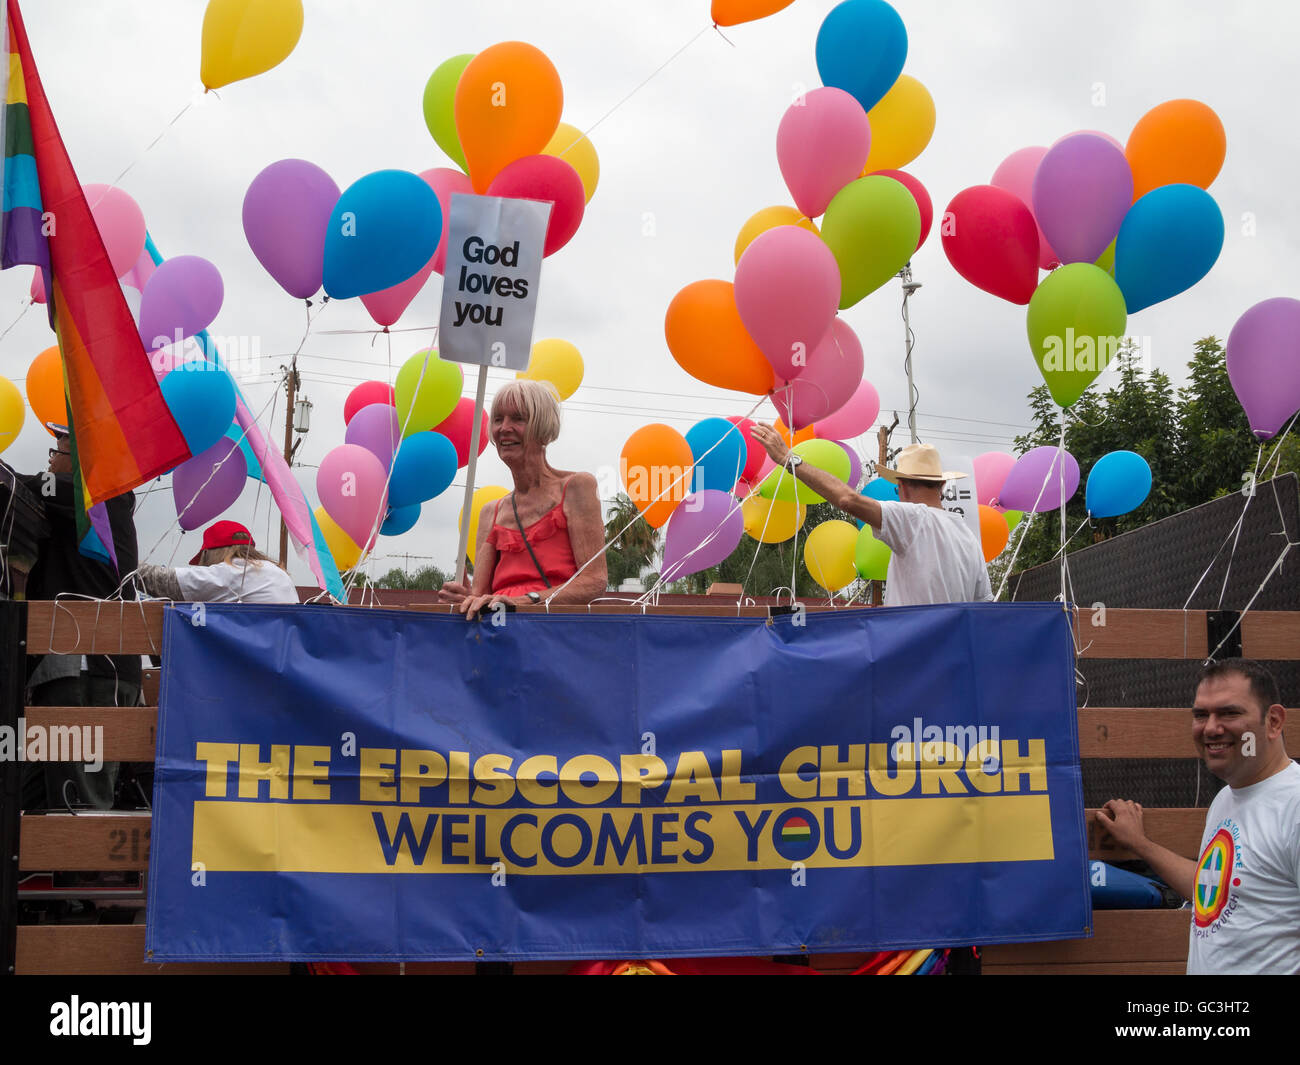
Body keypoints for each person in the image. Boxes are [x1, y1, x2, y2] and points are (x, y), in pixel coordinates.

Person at [1095, 659, 1299, 974]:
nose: (1211, 728)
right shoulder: (1227, 798)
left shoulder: (1294, 806)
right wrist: (1140, 844)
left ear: (1273, 721)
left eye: (1230, 713)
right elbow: (1215, 890)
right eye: (1201, 715)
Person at [21, 423, 140, 810]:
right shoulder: (94, 506)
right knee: (50, 797)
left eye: (58, 453)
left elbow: (35, 486)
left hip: (88, 668)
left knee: (81, 806)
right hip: (88, 668)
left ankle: (82, 870)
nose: (51, 462)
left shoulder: (99, 500)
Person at [749, 427, 992, 606]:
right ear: (941, 486)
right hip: (954, 661)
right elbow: (984, 605)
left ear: (903, 487)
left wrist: (788, 459)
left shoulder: (913, 519)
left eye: (897, 490)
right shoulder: (968, 537)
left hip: (916, 657)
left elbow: (848, 499)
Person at [438, 379, 607, 618]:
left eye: (518, 418)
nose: (504, 428)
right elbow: (480, 595)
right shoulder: (491, 512)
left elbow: (594, 582)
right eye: (498, 419)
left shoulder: (577, 487)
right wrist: (468, 598)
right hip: (503, 636)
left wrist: (525, 601)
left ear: (542, 426)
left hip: (557, 633)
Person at [136, 520, 299, 604]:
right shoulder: (276, 571)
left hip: (254, 661)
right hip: (282, 657)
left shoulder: (233, 572)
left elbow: (159, 581)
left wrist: (117, 559)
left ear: (211, 553)